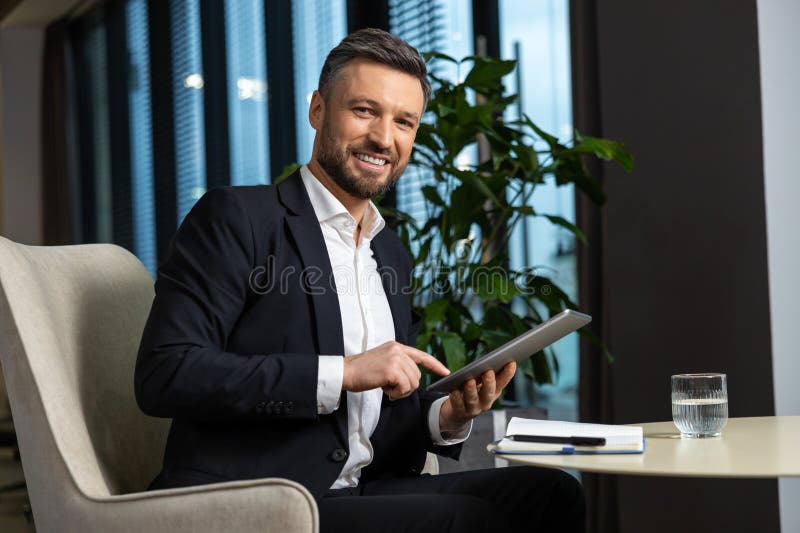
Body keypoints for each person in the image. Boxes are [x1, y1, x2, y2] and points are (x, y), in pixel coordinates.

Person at [135, 28, 584, 533]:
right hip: (262, 497)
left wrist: (450, 416)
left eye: (404, 122)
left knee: (550, 493)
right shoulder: (237, 217)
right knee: (465, 518)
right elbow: (166, 375)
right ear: (317, 111)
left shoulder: (388, 250)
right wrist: (343, 372)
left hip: (362, 488)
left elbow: (378, 418)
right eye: (364, 111)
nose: (384, 138)